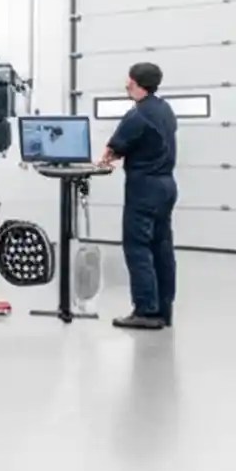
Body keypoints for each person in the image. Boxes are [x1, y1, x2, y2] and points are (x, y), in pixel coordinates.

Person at [98, 62, 178, 330]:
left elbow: (114, 148)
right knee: (161, 247)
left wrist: (105, 159)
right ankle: (164, 310)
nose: (126, 84)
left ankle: (146, 310)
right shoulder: (164, 109)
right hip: (167, 186)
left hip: (144, 188)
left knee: (138, 247)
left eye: (129, 80)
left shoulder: (138, 115)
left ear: (135, 83)